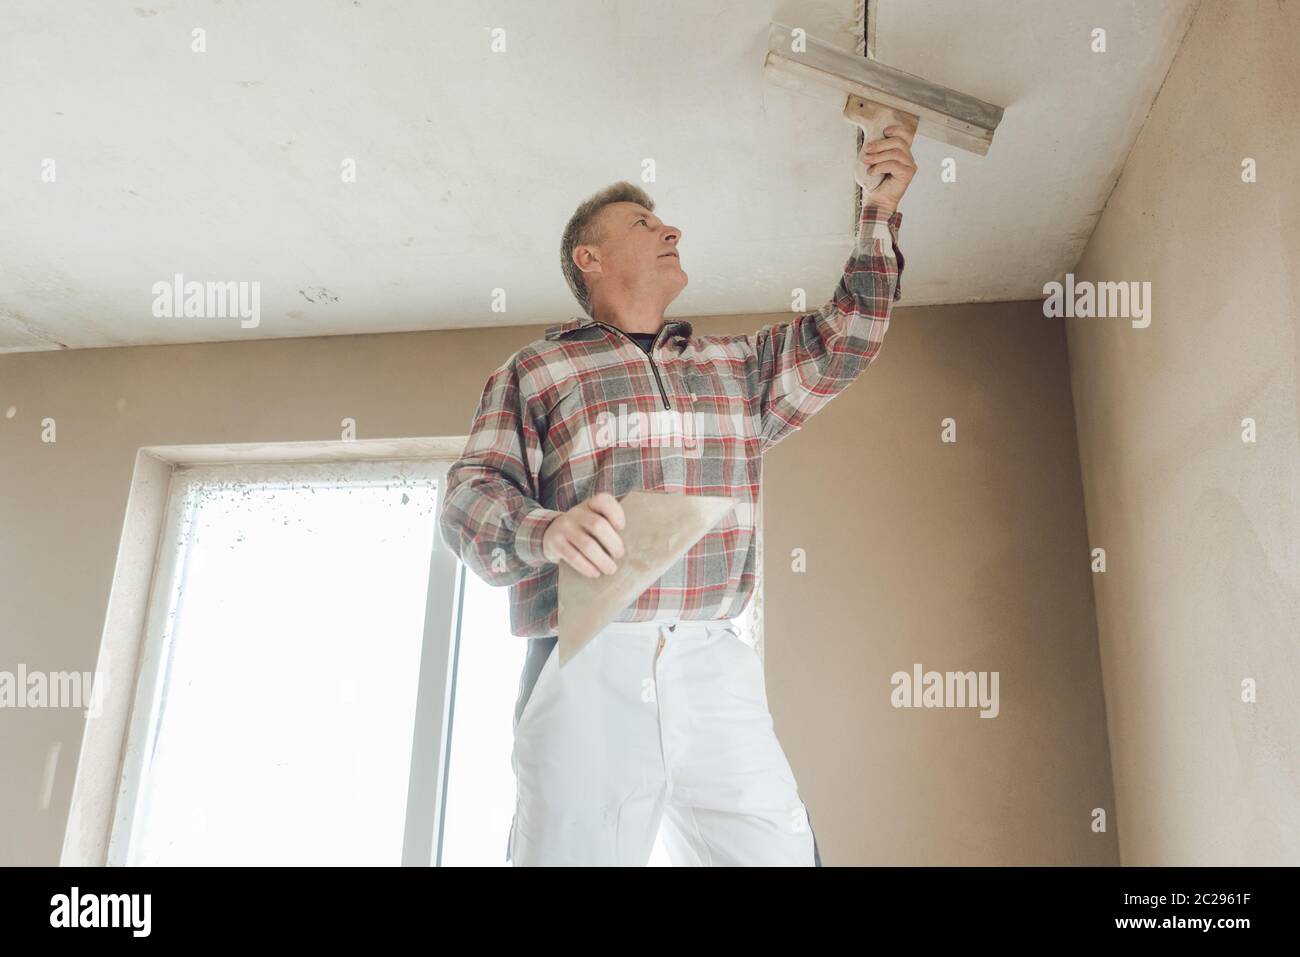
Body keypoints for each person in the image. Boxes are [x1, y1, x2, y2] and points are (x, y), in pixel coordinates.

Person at [438, 126, 916, 865]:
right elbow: (468, 497)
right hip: (583, 658)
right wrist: (545, 528)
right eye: (644, 223)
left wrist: (878, 208)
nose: (672, 230)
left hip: (713, 659)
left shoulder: (734, 367)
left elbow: (846, 337)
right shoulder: (534, 371)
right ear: (587, 258)